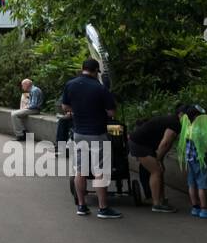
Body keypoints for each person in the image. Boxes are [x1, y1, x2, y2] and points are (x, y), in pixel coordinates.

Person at [61, 58, 121, 219]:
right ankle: (103, 208)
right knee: (99, 171)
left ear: (82, 69)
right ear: (95, 71)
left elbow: (65, 107)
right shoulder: (100, 88)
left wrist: (77, 111)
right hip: (97, 134)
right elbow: (112, 113)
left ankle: (81, 205)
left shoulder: (70, 85)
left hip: (79, 134)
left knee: (80, 170)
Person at [127, 111, 181, 212]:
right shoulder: (175, 124)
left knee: (159, 170)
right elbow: (164, 143)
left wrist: (159, 159)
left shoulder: (171, 120)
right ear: (181, 115)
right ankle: (157, 204)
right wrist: (158, 159)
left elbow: (166, 145)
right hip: (139, 144)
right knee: (156, 171)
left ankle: (160, 200)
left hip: (143, 144)